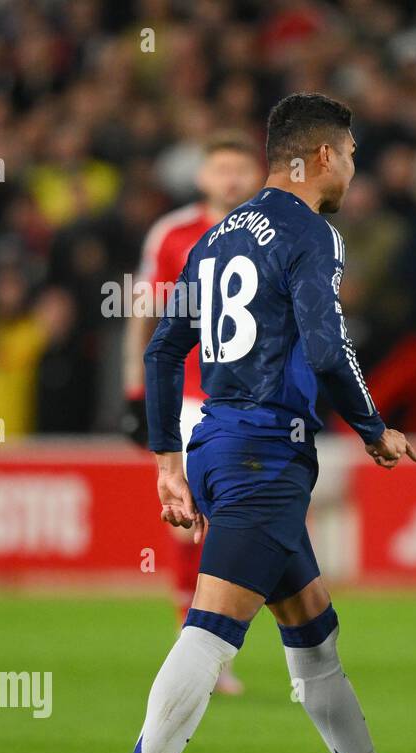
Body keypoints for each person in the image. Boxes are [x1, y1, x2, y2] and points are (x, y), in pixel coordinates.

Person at [96, 93, 416, 753]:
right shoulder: (310, 234)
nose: (354, 167)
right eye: (351, 153)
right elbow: (329, 349)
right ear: (322, 156)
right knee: (211, 631)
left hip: (225, 445)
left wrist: (167, 461)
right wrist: (375, 430)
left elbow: (163, 351)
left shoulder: (217, 235)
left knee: (314, 632)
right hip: (265, 451)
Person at [123, 130, 264, 696]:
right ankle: (199, 642)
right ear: (202, 176)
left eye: (240, 168)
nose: (230, 178)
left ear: (255, 176)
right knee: (190, 522)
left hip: (250, 398)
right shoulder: (174, 233)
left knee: (232, 523)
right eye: (220, 168)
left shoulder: (273, 230)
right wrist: (136, 390)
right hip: (187, 396)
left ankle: (211, 643)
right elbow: (144, 314)